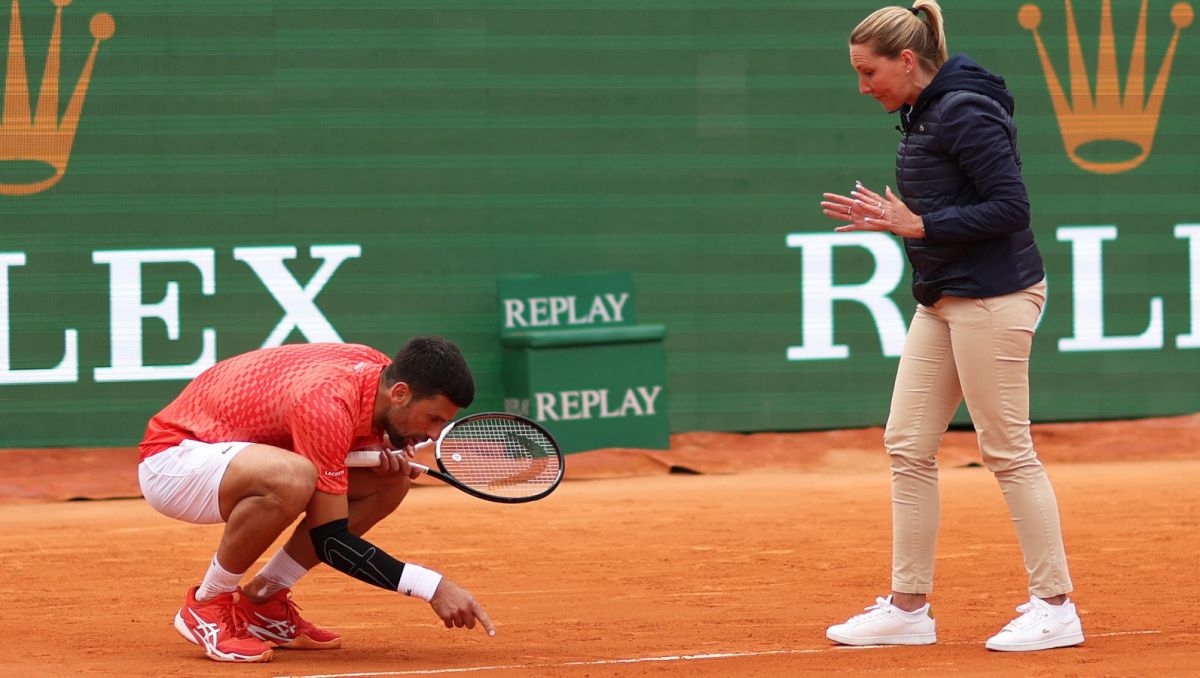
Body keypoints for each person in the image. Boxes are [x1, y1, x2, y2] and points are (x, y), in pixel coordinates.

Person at [818, 1, 1083, 652]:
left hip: (994, 297)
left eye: (869, 72)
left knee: (1007, 450)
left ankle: (1055, 607)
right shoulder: (924, 111)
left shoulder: (963, 109)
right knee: (908, 443)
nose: (863, 87)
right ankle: (909, 609)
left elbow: (1011, 207)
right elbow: (949, 206)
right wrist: (904, 223)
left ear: (907, 60)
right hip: (943, 297)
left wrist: (920, 224)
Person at [137, 337, 495, 663]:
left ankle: (263, 603)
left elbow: (345, 434)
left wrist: (380, 445)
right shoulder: (326, 403)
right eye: (433, 418)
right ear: (400, 394)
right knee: (293, 477)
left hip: (233, 454)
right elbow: (331, 541)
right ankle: (207, 603)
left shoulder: (377, 372)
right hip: (175, 460)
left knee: (389, 482)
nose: (433, 434)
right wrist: (433, 587)